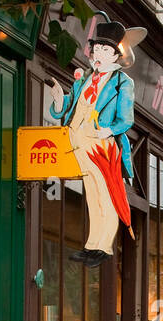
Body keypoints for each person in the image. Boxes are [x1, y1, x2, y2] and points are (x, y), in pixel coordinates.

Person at [47, 19, 137, 266]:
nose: (99, 54)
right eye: (97, 49)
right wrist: (57, 100)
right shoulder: (84, 79)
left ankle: (102, 245)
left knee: (103, 194)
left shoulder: (122, 83)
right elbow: (68, 106)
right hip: (76, 140)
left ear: (115, 56)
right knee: (91, 193)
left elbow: (126, 119)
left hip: (100, 145)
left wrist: (107, 131)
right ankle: (92, 244)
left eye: (106, 50)